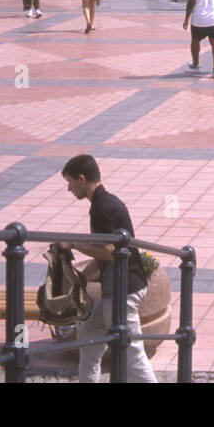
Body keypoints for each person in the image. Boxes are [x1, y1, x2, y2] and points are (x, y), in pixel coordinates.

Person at [59, 154, 157, 384]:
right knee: (88, 333)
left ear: (81, 179)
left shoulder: (102, 208)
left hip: (123, 290)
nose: (68, 189)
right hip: (122, 286)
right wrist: (81, 275)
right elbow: (110, 253)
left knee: (132, 352)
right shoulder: (107, 202)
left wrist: (74, 243)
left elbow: (109, 251)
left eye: (70, 182)